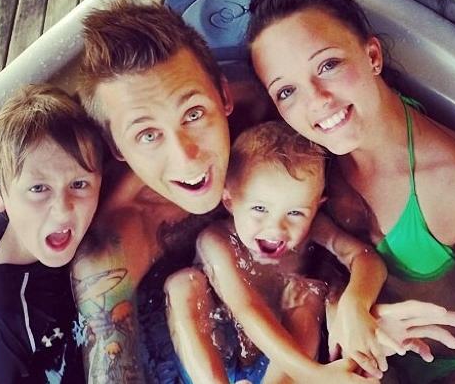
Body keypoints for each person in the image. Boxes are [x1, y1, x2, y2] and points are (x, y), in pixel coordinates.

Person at [73, 0, 455, 384]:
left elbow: (339, 236)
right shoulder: (111, 253)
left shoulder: (278, 121)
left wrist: (348, 308)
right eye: (147, 135)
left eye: (194, 114)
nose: (187, 157)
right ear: (116, 147)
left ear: (224, 96)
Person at [247, 0, 455, 383]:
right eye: (286, 91)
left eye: (328, 65)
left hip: (440, 369)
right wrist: (347, 304)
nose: (316, 100)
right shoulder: (307, 156)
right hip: (351, 345)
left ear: (372, 55)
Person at [167, 120, 390, 383]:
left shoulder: (314, 229)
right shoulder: (216, 240)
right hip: (223, 347)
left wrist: (355, 304)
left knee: (308, 293)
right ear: (229, 200)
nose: (276, 227)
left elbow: (365, 257)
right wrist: (314, 375)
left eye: (295, 212)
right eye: (259, 209)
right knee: (181, 284)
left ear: (317, 206)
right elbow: (245, 307)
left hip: (284, 362)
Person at [0, 84, 105, 383]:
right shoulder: (3, 320)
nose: (63, 211)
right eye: (39, 189)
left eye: (79, 184)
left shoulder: (44, 233)